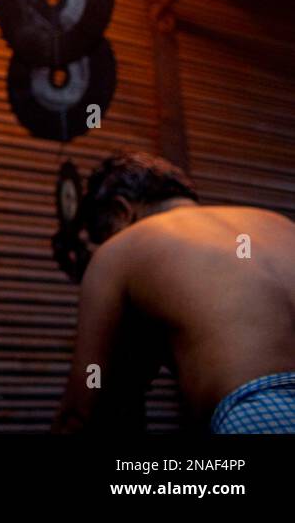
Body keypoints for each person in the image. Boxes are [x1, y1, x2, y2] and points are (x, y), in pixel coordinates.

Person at [54, 152, 295, 433]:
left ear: (122, 212)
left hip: (264, 414)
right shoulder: (278, 224)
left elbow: (81, 413)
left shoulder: (123, 247)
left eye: (102, 236)